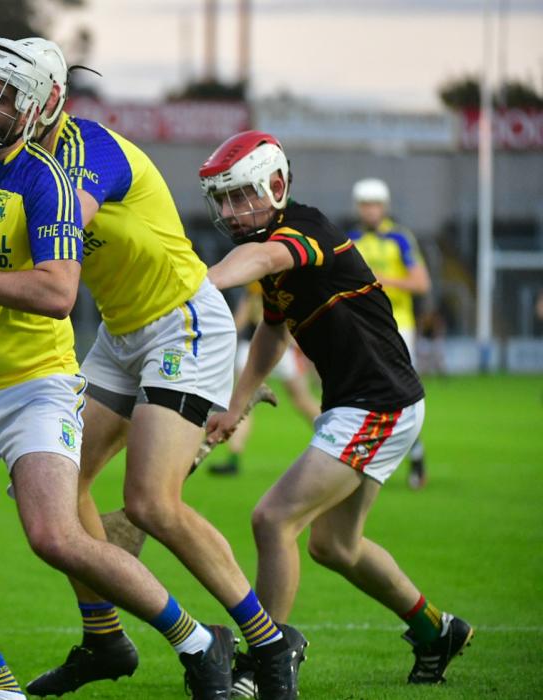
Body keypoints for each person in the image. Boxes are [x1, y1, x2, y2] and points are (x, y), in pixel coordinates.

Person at [0, 38, 236, 700]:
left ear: (34, 110)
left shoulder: (47, 182)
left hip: (33, 389)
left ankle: (197, 639)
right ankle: (3, 689)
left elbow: (56, 294)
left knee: (54, 535)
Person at [0, 38, 299, 700]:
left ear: (45, 102)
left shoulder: (84, 150)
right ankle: (105, 637)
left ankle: (269, 641)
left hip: (182, 322)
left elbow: (51, 236)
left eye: (4, 96)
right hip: (120, 331)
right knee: (57, 484)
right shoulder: (8, 161)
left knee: (150, 503)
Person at [201, 130, 473, 690]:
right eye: (223, 199)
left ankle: (268, 657)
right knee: (333, 545)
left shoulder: (305, 228)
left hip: (379, 404)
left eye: (241, 195)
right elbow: (272, 334)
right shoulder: (274, 260)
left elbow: (263, 256)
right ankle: (435, 631)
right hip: (364, 403)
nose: (231, 210)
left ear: (276, 185)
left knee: (272, 519)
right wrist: (237, 402)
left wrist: (196, 283)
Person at [347, 178, 432, 489]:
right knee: (364, 392)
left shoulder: (401, 238)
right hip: (362, 327)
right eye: (365, 204)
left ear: (384, 207)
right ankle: (363, 459)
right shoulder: (350, 238)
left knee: (400, 394)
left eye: (375, 204)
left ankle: (416, 455)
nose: (370, 210)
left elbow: (422, 284)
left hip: (399, 326)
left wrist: (382, 281)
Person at [207, 282, 320, 477]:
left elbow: (245, 316)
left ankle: (234, 456)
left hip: (252, 349)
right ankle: (335, 440)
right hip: (280, 348)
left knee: (242, 403)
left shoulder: (256, 284)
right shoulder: (286, 280)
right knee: (303, 400)